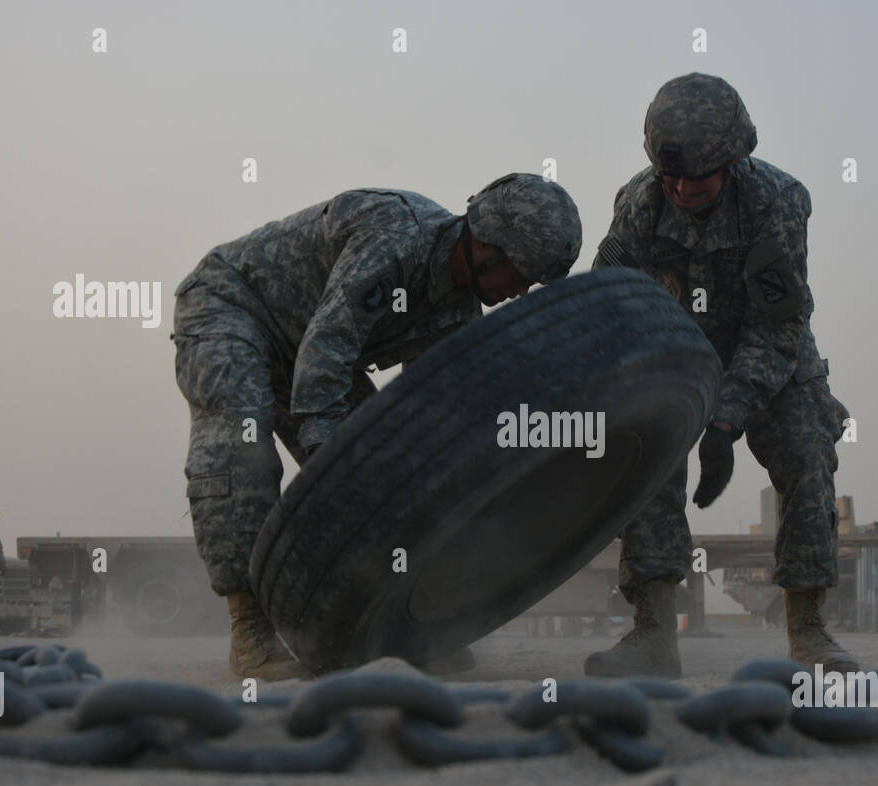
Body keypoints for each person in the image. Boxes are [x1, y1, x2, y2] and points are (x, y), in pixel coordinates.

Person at [172, 174, 582, 680]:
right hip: (232, 306)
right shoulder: (397, 239)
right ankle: (250, 630)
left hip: (307, 349)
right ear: (487, 241)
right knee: (242, 443)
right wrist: (327, 464)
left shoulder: (459, 314)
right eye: (518, 272)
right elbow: (330, 341)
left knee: (384, 473)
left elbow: (428, 422)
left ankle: (392, 630)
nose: (518, 290)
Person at [586, 73, 857, 678]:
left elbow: (776, 329)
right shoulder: (639, 204)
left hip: (769, 350)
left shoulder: (777, 203)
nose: (683, 189)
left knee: (808, 450)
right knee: (645, 452)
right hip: (679, 350)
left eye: (699, 177)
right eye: (671, 176)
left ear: (733, 160)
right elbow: (609, 301)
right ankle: (653, 633)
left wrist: (725, 421)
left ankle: (809, 632)